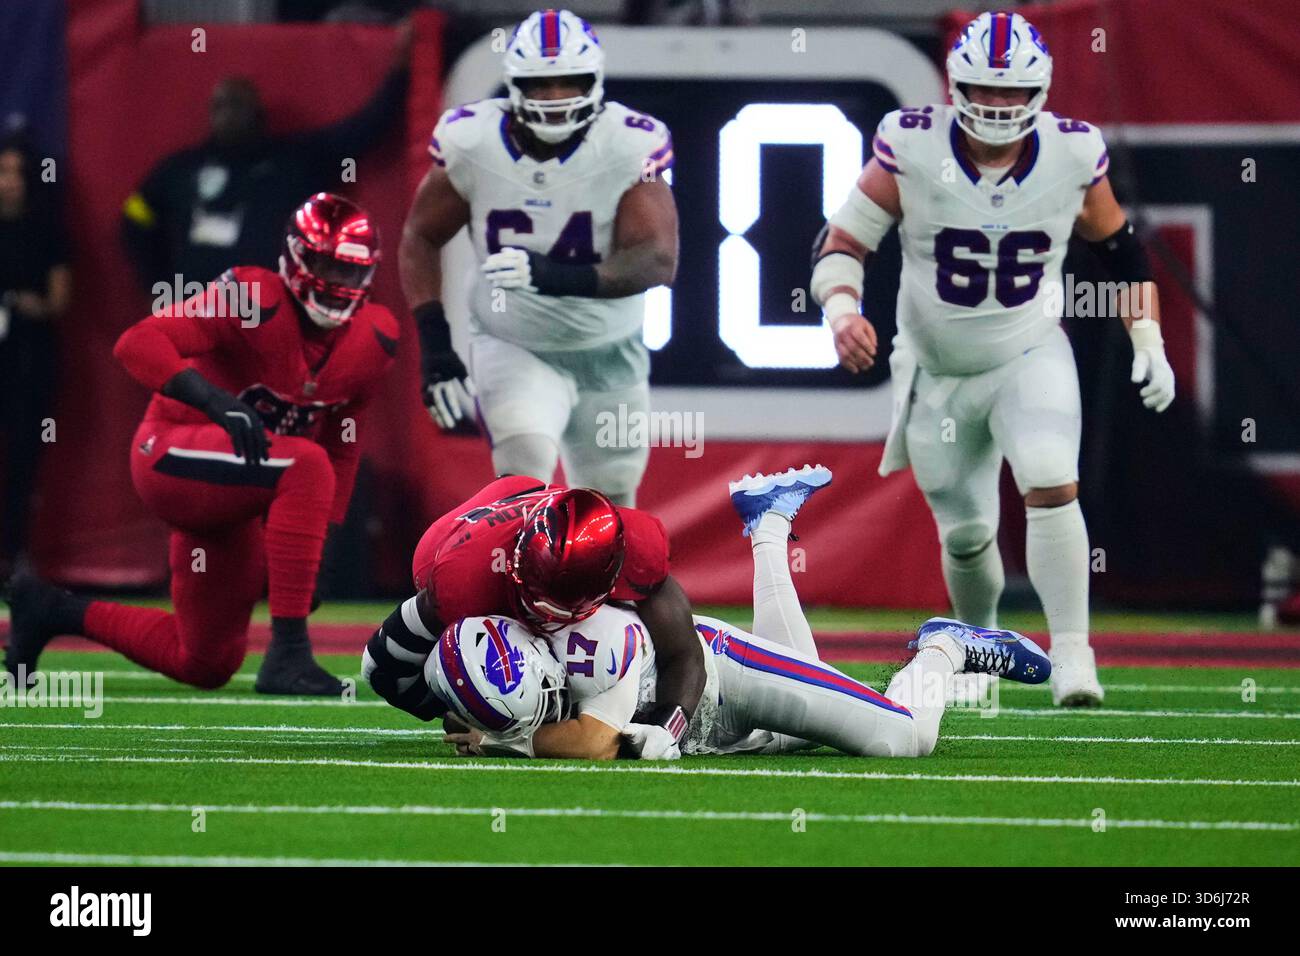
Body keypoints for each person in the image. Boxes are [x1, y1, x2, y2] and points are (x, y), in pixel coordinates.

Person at [809, 11, 1175, 706]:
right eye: (984, 89)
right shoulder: (912, 144)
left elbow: (1121, 251)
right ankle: (979, 646)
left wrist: (1147, 339)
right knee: (970, 533)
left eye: (1013, 93)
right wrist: (841, 310)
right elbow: (843, 242)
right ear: (955, 86)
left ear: (1039, 92)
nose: (999, 106)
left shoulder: (1071, 152)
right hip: (938, 370)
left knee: (1048, 476)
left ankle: (1072, 653)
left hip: (1027, 350)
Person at [4, 194, 396, 696]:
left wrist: (323, 547)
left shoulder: (374, 338)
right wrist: (212, 399)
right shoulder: (253, 297)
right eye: (326, 265)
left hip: (233, 492)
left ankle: (49, 609)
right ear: (298, 256)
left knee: (204, 661)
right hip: (169, 455)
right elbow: (138, 342)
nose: (337, 283)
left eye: (348, 270)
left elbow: (345, 444)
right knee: (305, 463)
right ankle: (289, 653)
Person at [428, 465, 1052, 760]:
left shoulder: (607, 627)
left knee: (901, 739)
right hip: (710, 731)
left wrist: (505, 742)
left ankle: (946, 647)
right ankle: (770, 521)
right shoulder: (488, 610)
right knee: (810, 698)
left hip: (721, 679)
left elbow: (596, 741)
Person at [400, 8, 678, 507]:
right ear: (514, 85)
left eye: (568, 82)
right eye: (540, 83)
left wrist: (549, 274)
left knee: (613, 502)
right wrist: (436, 347)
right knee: (523, 475)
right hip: (514, 341)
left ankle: (608, 588)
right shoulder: (473, 141)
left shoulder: (627, 143)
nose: (554, 97)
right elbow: (420, 236)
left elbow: (658, 260)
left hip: (608, 348)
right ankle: (529, 587)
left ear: (594, 81)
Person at [360, 474, 706, 759]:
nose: (548, 618)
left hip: (541, 517)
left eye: (566, 609)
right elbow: (382, 669)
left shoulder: (637, 547)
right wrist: (456, 709)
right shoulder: (463, 582)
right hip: (475, 532)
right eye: (539, 602)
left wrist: (668, 725)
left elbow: (684, 653)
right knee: (408, 662)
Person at [121, 27, 409, 292]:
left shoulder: (294, 161)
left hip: (271, 317)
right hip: (199, 318)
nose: (227, 112)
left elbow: (365, 129)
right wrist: (157, 284)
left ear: (258, 113)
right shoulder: (182, 169)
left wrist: (401, 70)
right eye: (219, 104)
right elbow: (135, 216)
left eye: (236, 103)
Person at [0, 133, 71, 576]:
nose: (9, 182)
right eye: (1, 172)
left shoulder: (46, 230)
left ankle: (14, 555)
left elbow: (59, 299)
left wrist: (30, 305)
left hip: (28, 358)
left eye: (16, 173)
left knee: (24, 458)